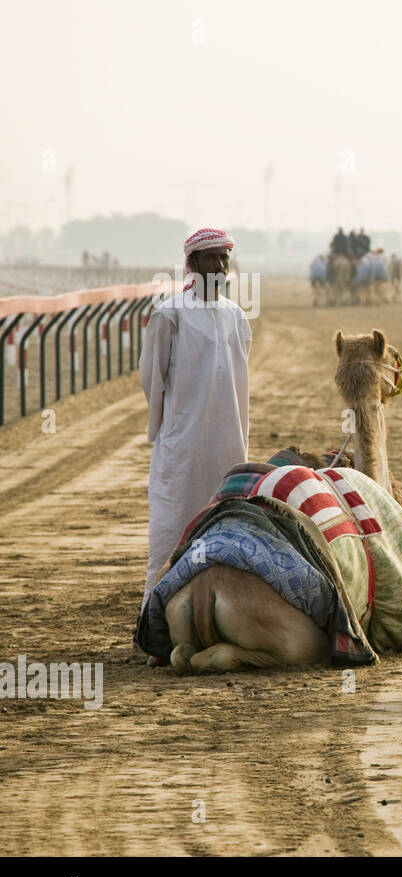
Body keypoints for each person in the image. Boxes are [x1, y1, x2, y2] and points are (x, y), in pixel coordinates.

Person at [138, 228, 251, 609]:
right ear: (192, 264)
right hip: (183, 443)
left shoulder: (237, 316)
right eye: (210, 258)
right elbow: (152, 378)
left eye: (223, 258)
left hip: (229, 440)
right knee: (173, 527)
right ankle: (154, 617)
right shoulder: (169, 314)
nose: (218, 265)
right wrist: (170, 425)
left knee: (225, 524)